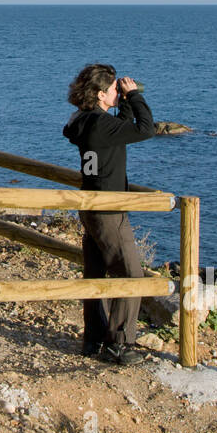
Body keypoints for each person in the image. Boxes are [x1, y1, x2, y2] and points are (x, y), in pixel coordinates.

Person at [62, 63, 154, 365]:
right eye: (115, 88)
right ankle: (119, 344)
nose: (120, 91)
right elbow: (146, 129)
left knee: (95, 273)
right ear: (102, 94)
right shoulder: (101, 125)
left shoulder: (85, 121)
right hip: (108, 209)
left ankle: (94, 338)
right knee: (131, 275)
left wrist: (123, 103)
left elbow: (121, 132)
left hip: (89, 205)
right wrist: (136, 97)